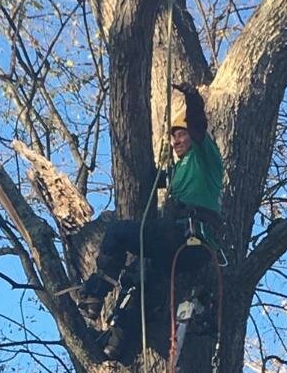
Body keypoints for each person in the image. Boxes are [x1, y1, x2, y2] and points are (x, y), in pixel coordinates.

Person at [80, 82, 224, 357]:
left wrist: (192, 98)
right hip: (180, 248)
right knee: (141, 282)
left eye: (181, 135)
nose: (177, 141)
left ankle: (94, 294)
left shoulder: (205, 157)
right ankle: (117, 344)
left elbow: (197, 123)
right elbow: (153, 178)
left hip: (189, 238)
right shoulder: (177, 172)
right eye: (174, 137)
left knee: (119, 233)